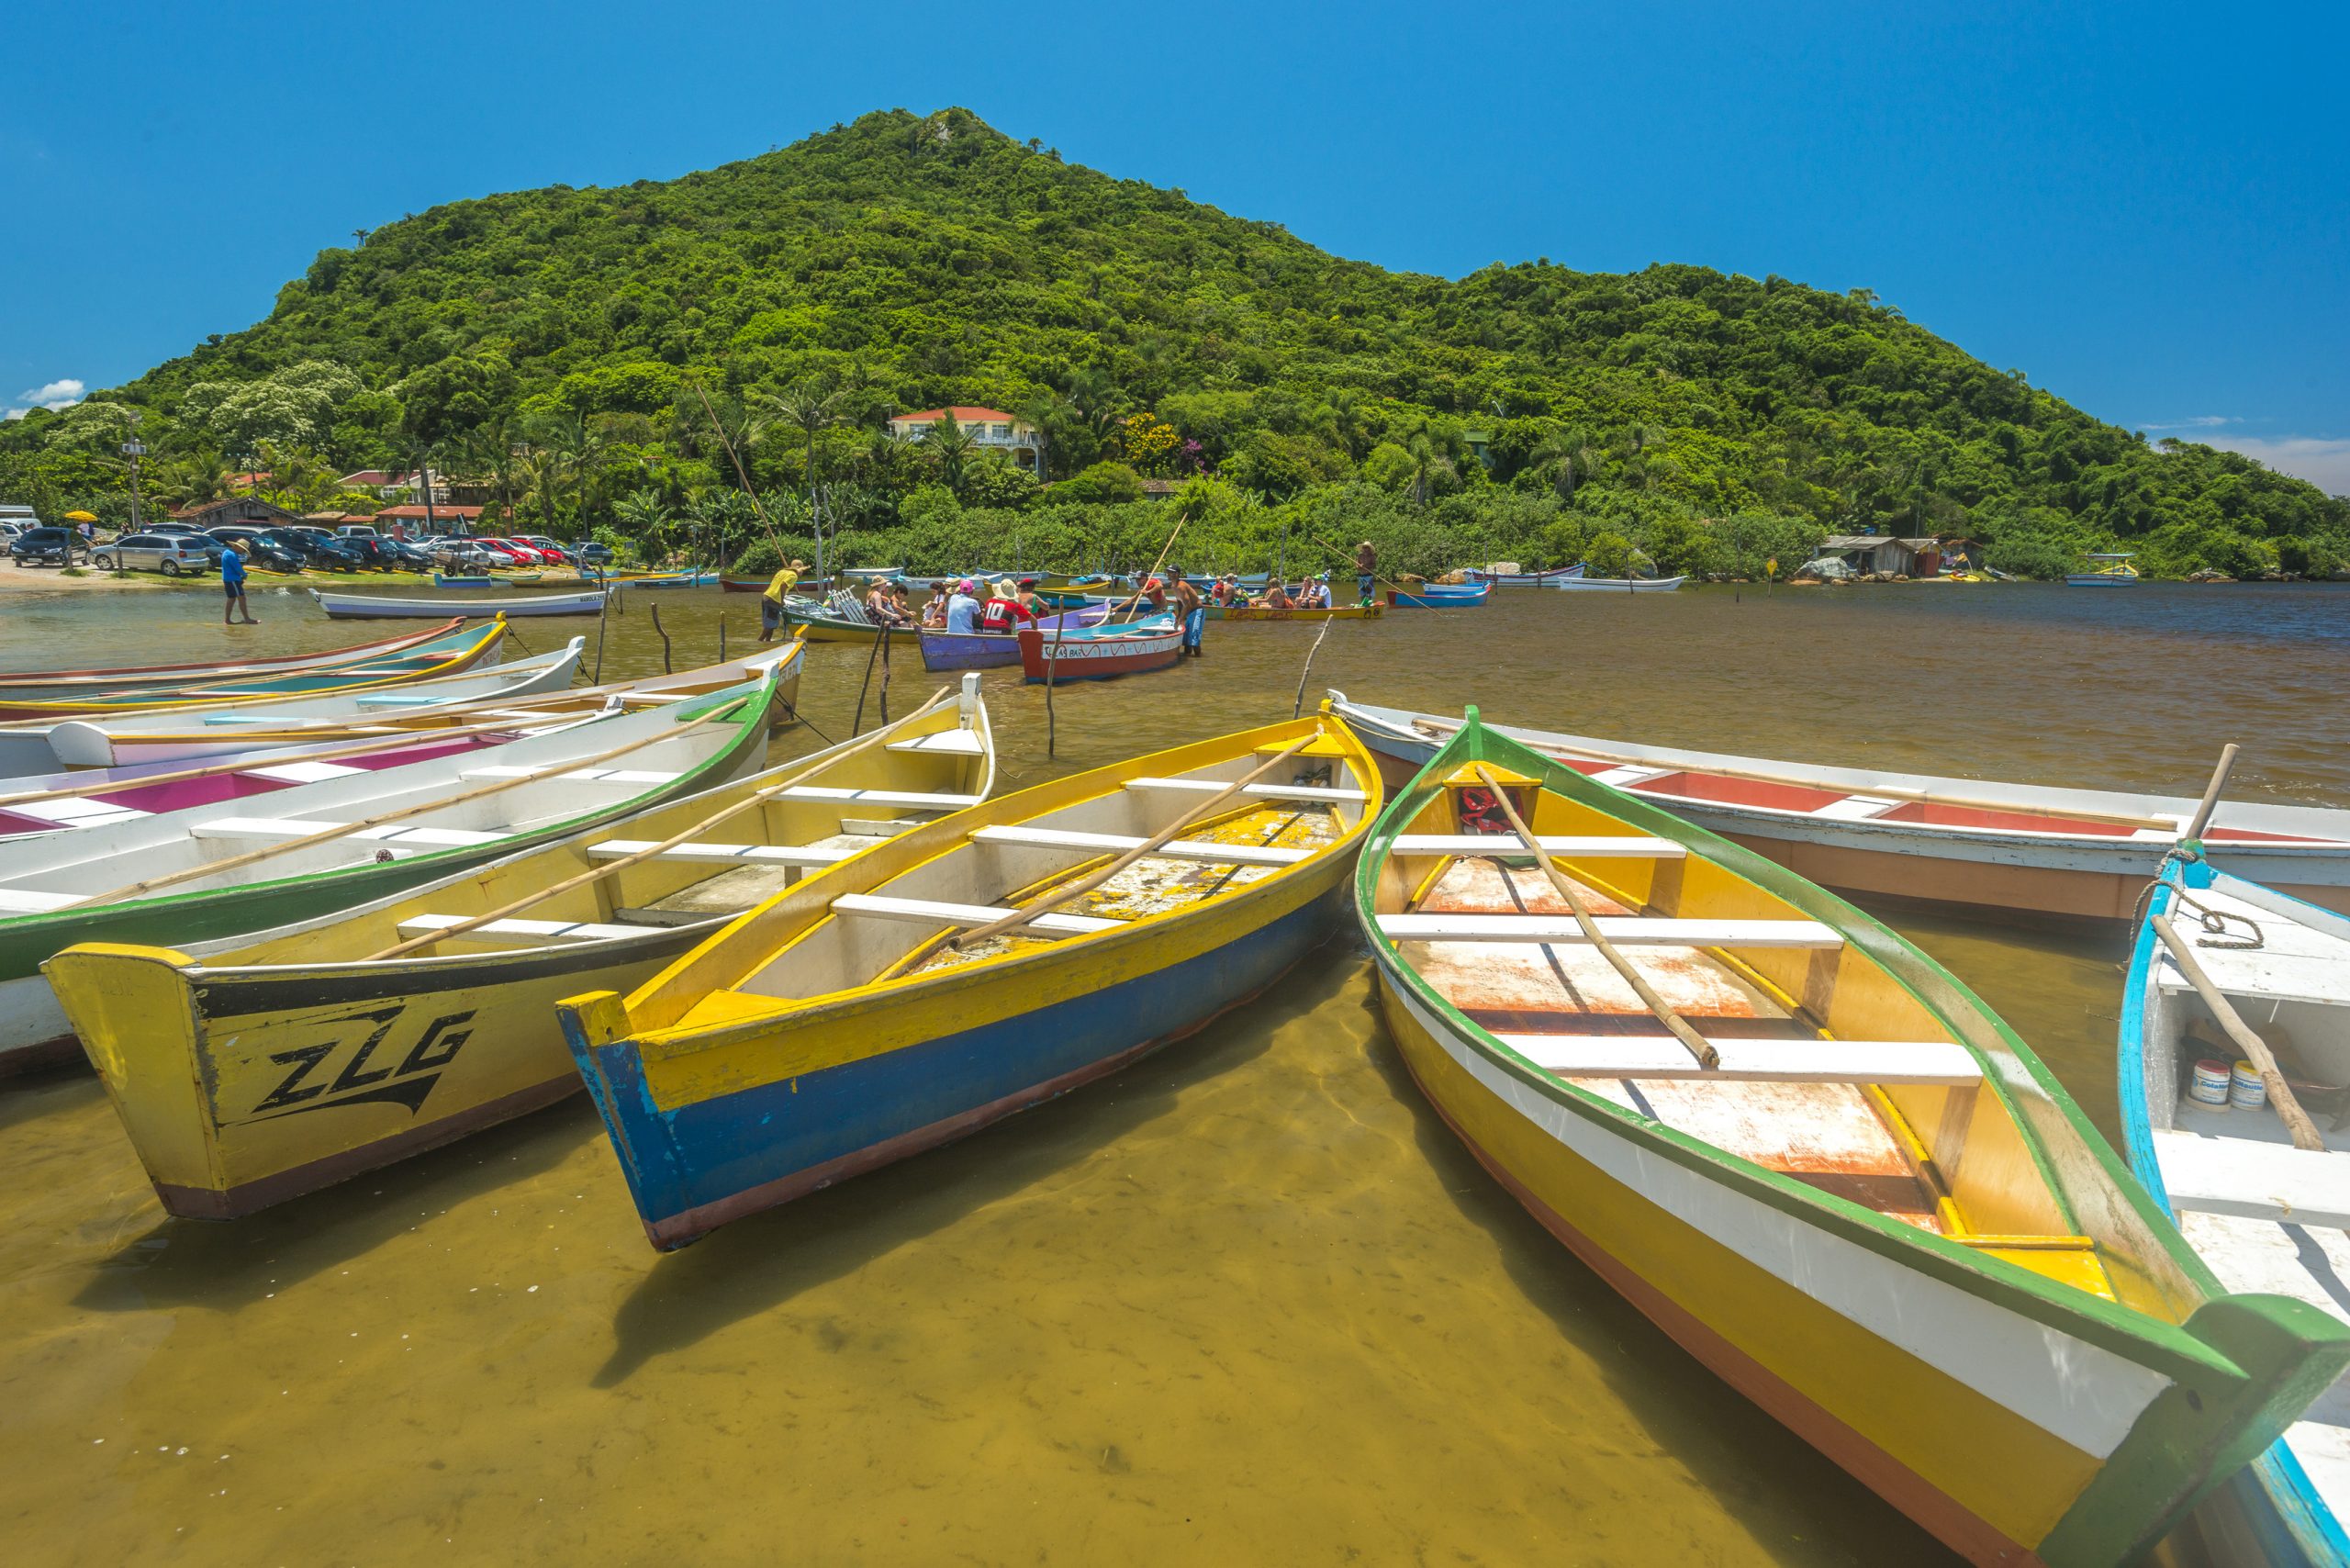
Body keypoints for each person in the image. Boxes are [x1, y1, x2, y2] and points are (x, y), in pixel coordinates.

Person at [759, 557, 807, 643]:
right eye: (802, 569)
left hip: (766, 596)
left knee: (771, 623)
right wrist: (782, 600)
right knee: (770, 624)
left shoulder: (782, 571)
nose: (802, 572)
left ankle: (767, 642)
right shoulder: (793, 575)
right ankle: (760, 641)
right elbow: (783, 585)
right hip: (774, 599)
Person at [1170, 568, 1205, 658]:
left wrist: (1181, 619)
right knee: (1186, 642)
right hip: (1190, 612)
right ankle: (1187, 663)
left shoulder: (1181, 586)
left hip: (1197, 610)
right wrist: (1178, 616)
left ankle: (1198, 660)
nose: (1169, 574)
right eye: (1168, 572)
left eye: (1171, 572)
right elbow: (1179, 601)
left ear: (1177, 574)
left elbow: (1188, 605)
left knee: (1194, 640)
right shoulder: (1173, 586)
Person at [221, 540, 257, 625]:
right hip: (232, 579)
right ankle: (247, 619)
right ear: (238, 547)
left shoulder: (227, 552)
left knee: (231, 599)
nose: (243, 552)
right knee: (242, 598)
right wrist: (244, 575)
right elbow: (237, 568)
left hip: (229, 579)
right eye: (243, 549)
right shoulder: (231, 555)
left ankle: (227, 620)